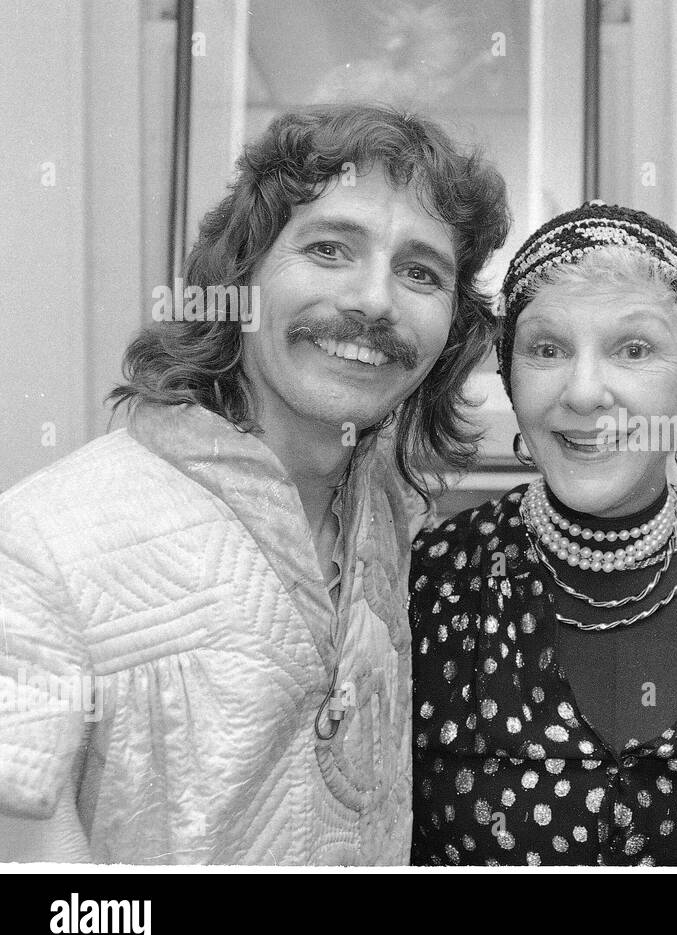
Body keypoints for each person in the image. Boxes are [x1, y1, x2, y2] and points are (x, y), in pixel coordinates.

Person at [0, 103, 510, 863]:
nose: (375, 300)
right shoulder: (41, 547)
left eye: (419, 271)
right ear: (240, 275)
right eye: (331, 247)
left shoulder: (392, 520)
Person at [410, 203, 677, 866]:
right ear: (510, 380)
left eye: (633, 348)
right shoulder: (430, 583)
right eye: (546, 349)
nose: (585, 391)